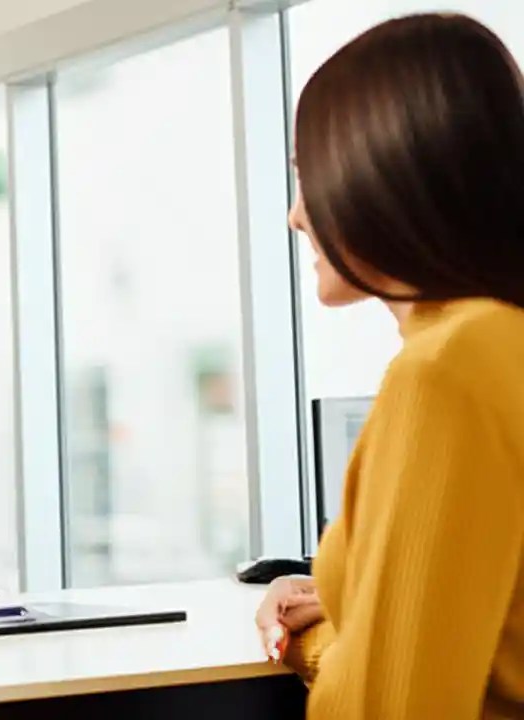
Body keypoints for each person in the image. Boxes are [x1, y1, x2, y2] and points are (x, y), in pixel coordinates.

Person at [253, 12, 524, 719]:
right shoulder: (499, 343)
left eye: (307, 177)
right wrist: (355, 615)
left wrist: (308, 647)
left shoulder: (448, 372)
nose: (295, 215)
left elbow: (392, 708)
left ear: (378, 168)